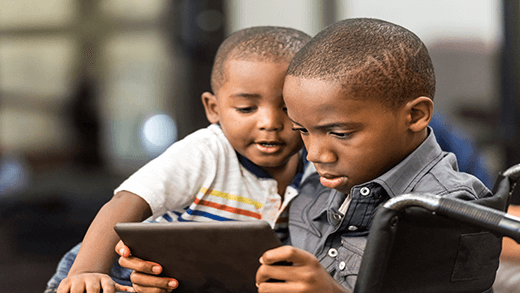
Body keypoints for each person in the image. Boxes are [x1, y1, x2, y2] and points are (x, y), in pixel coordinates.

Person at [115, 18, 492, 293]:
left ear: (415, 116)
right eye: (302, 131)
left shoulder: (447, 208)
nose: (315, 153)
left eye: (340, 133)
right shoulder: (312, 186)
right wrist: (176, 278)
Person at [48, 26, 311, 293]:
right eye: (246, 108)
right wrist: (88, 272)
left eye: (288, 108)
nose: (269, 123)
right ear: (213, 109)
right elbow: (126, 201)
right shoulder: (205, 152)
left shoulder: (315, 169)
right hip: (121, 273)